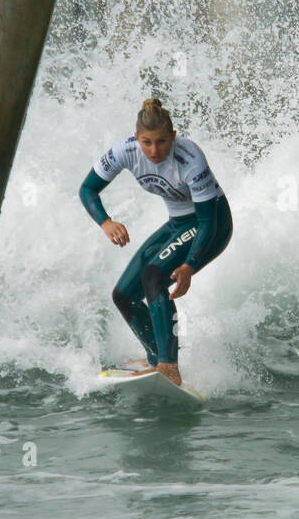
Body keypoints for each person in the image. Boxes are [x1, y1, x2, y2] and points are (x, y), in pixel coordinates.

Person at [79, 98, 232, 387]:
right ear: (136, 139)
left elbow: (208, 223)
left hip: (211, 224)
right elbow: (87, 189)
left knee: (153, 277)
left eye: (162, 142)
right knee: (123, 295)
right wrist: (106, 222)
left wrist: (189, 265)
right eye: (147, 142)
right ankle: (155, 358)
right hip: (178, 224)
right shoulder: (124, 152)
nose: (154, 151)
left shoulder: (191, 159)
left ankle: (169, 366)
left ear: (173, 137)